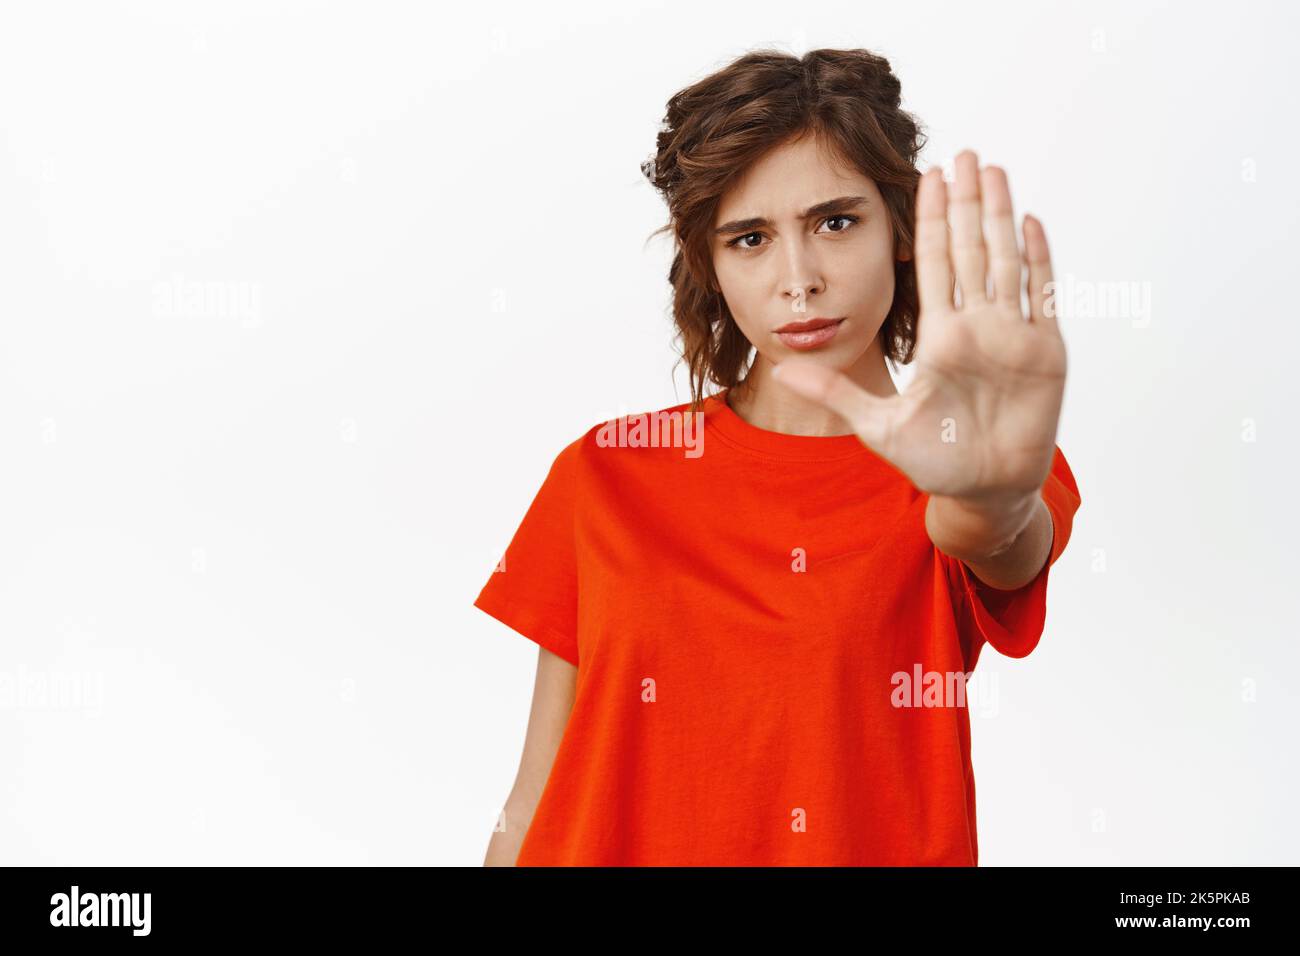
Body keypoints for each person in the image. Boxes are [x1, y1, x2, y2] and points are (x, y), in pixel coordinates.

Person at [476, 47, 1081, 866]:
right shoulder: (606, 471)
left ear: (901, 228)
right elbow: (533, 794)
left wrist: (998, 501)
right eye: (750, 238)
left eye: (836, 221)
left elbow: (996, 538)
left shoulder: (978, 460)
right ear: (711, 265)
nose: (799, 279)